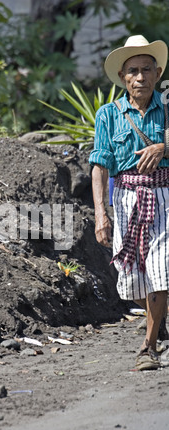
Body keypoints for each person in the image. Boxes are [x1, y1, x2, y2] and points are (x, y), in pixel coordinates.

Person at [90, 35, 169, 371]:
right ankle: (159, 321)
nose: (140, 77)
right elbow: (99, 165)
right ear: (122, 76)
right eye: (133, 71)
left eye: (147, 69)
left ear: (158, 72)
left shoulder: (167, 108)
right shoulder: (108, 114)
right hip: (124, 200)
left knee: (161, 271)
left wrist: (163, 148)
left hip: (164, 197)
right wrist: (100, 215)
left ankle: (147, 349)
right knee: (133, 280)